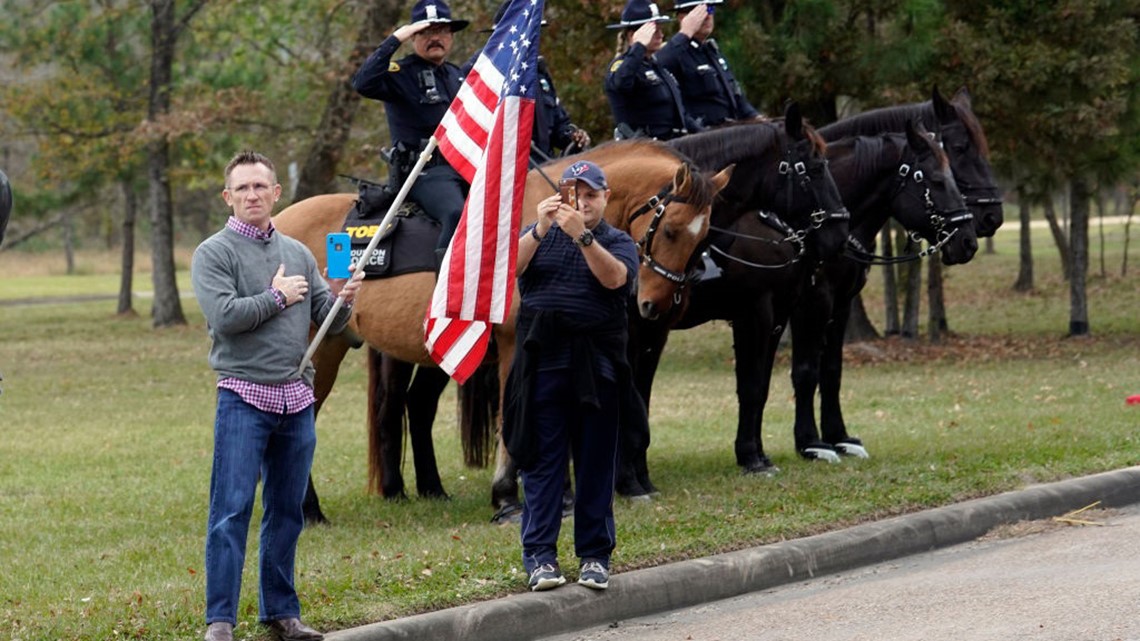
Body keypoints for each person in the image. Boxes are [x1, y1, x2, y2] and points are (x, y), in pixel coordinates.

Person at [191, 151, 363, 641]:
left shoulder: (298, 253)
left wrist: (345, 299)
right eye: (242, 188)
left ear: (275, 194)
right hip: (243, 397)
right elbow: (224, 317)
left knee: (287, 512)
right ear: (228, 197)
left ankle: (282, 613)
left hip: (296, 400)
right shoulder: (214, 253)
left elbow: (331, 322)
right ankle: (220, 621)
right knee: (231, 511)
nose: (251, 195)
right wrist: (277, 297)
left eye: (259, 187)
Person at [502, 160, 641, 592]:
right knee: (543, 466)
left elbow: (615, 279)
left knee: (595, 463)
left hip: (597, 365)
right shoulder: (538, 235)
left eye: (591, 194)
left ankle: (595, 556)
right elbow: (511, 268)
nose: (581, 202)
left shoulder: (618, 242)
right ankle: (540, 558)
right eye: (573, 194)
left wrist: (582, 234)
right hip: (544, 364)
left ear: (606, 197)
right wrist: (542, 228)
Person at [351, 0, 470, 251]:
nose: (434, 38)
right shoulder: (400, 73)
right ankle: (449, 288)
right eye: (425, 32)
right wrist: (395, 39)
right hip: (424, 173)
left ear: (451, 36)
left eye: (441, 31)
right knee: (455, 213)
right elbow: (363, 83)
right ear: (412, 37)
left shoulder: (455, 74)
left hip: (463, 166)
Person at [469, 2, 591, 165]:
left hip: (545, 165)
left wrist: (573, 136)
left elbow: (558, 126)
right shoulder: (485, 76)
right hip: (504, 170)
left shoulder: (539, 74)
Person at [604, 0, 701, 141]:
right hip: (642, 151)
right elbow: (622, 82)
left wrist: (703, 134)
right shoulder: (622, 66)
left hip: (671, 145)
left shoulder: (656, 66)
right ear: (633, 35)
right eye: (654, 30)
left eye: (660, 29)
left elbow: (680, 114)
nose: (661, 35)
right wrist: (638, 46)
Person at [656, 1, 762, 128]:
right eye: (699, 12)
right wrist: (685, 32)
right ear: (682, 17)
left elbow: (735, 94)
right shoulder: (676, 53)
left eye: (710, 9)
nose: (707, 16)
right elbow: (659, 64)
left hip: (730, 134)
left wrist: (756, 118)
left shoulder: (711, 51)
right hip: (702, 139)